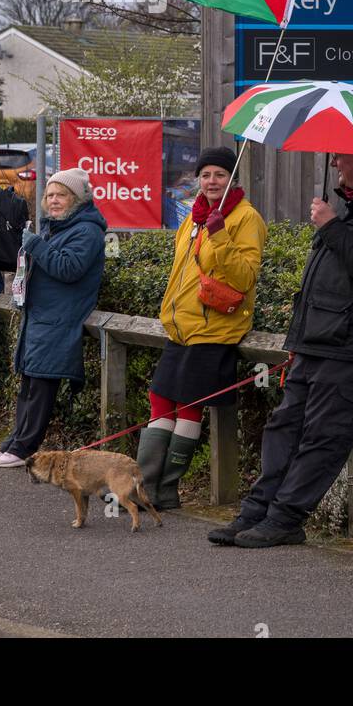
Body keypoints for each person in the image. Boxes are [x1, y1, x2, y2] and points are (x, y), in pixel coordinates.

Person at [208, 151, 353, 549]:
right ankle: (258, 511)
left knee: (323, 438)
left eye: (342, 157)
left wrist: (332, 226)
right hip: (317, 342)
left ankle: (286, 519)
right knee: (283, 429)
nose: (336, 163)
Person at [136, 147, 266, 510]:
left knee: (188, 406)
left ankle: (163, 490)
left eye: (220, 175)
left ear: (232, 179)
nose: (212, 181)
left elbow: (244, 277)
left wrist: (220, 235)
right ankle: (151, 488)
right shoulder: (193, 217)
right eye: (206, 175)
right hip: (182, 326)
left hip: (214, 328)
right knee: (160, 399)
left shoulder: (245, 218)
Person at [0, 167, 107, 468]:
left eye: (61, 195)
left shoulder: (86, 231)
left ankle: (24, 448)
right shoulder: (56, 227)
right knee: (29, 383)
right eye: (49, 195)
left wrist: (35, 245)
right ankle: (13, 442)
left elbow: (69, 268)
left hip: (59, 319)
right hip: (40, 317)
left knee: (41, 386)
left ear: (77, 198)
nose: (53, 200)